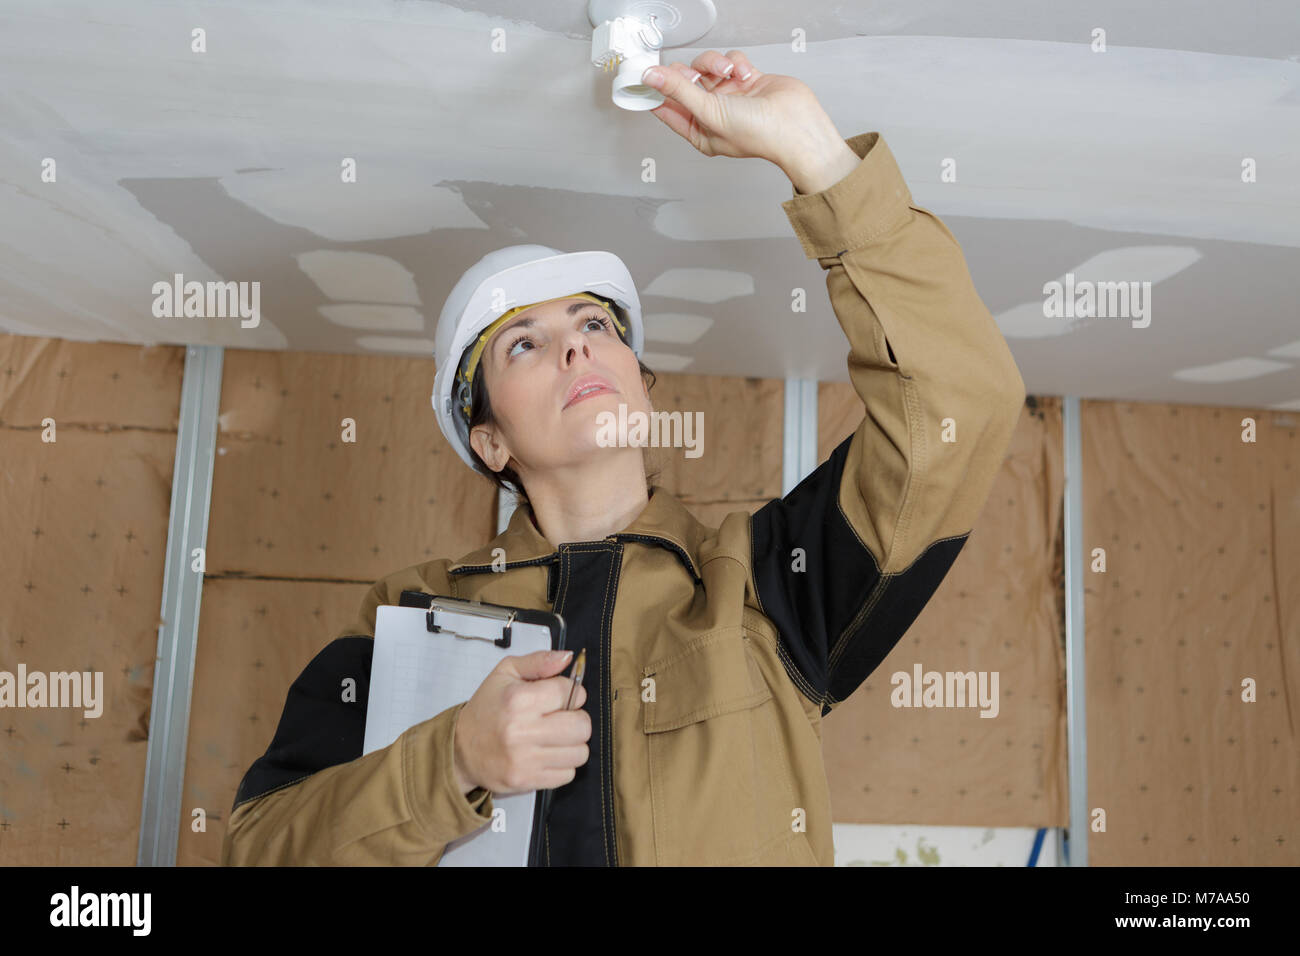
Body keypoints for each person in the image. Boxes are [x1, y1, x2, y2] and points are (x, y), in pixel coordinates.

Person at [222, 48, 1026, 866]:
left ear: (641, 389)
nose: (575, 352)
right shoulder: (409, 614)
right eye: (526, 344)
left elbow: (963, 399)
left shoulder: (763, 587)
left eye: (594, 326)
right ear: (489, 440)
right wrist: (453, 762)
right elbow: (257, 852)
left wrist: (812, 151)